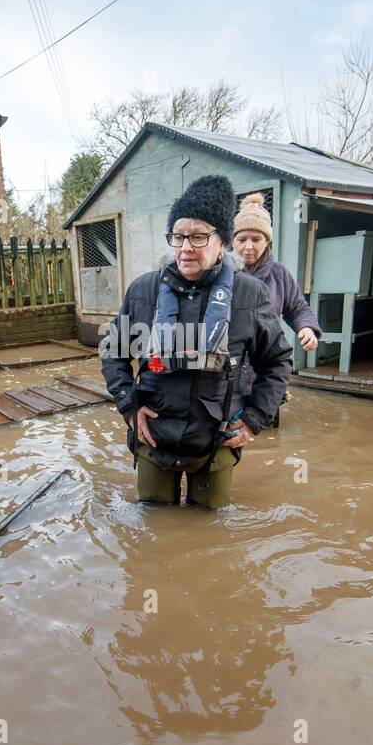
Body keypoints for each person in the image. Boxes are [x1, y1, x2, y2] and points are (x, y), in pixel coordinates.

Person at [100, 175, 293, 508]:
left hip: (216, 439)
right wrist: (128, 406)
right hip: (154, 438)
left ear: (223, 243)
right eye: (178, 236)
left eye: (199, 236)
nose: (186, 247)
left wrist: (253, 420)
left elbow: (277, 362)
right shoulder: (143, 290)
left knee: (211, 528)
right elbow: (114, 351)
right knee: (154, 522)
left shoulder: (248, 295)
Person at [232, 193, 321, 419]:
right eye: (242, 239)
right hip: (229, 370)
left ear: (267, 241)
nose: (248, 247)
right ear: (232, 241)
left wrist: (306, 328)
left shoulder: (279, 275)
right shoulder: (224, 276)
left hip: (265, 368)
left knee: (262, 419)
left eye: (256, 239)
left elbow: (298, 308)